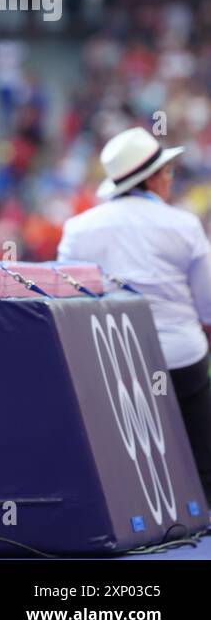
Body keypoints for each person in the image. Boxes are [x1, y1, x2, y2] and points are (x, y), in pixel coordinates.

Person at [57, 127, 211, 497]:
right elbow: (207, 306)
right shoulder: (184, 224)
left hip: (111, 361)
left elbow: (66, 297)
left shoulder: (78, 228)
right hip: (181, 359)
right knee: (202, 454)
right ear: (155, 177)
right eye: (168, 172)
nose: (171, 180)